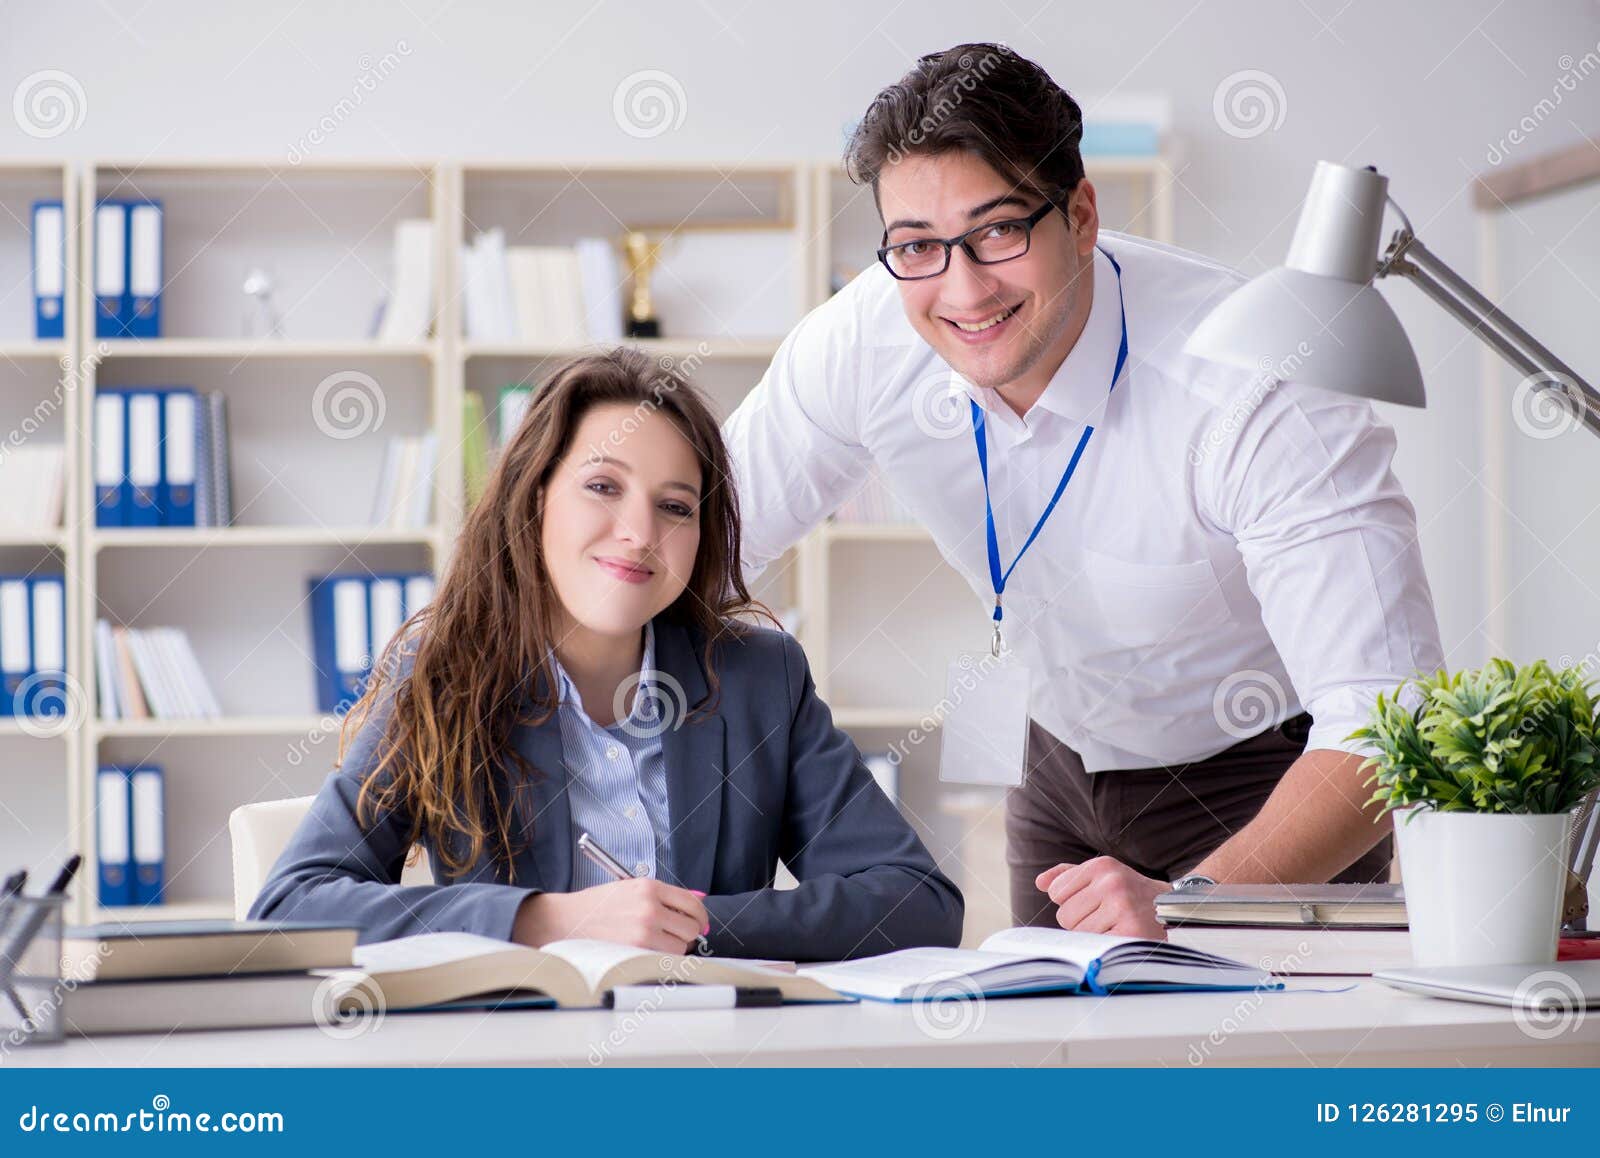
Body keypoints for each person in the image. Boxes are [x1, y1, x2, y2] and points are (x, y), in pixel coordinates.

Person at [722, 43, 1444, 939]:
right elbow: (698, 544)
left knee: (1247, 1065)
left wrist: (1188, 908)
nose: (963, 288)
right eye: (917, 245)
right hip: (1057, 761)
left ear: (1084, 214)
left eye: (999, 231)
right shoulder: (865, 339)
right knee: (1057, 1055)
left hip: (1262, 779)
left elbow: (1388, 725)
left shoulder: (1259, 387)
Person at [251, 349, 963, 961]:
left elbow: (918, 901)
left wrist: (691, 925)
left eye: (676, 506)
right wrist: (547, 922)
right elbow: (288, 910)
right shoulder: (443, 676)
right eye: (602, 487)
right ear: (534, 502)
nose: (638, 532)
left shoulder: (760, 678)